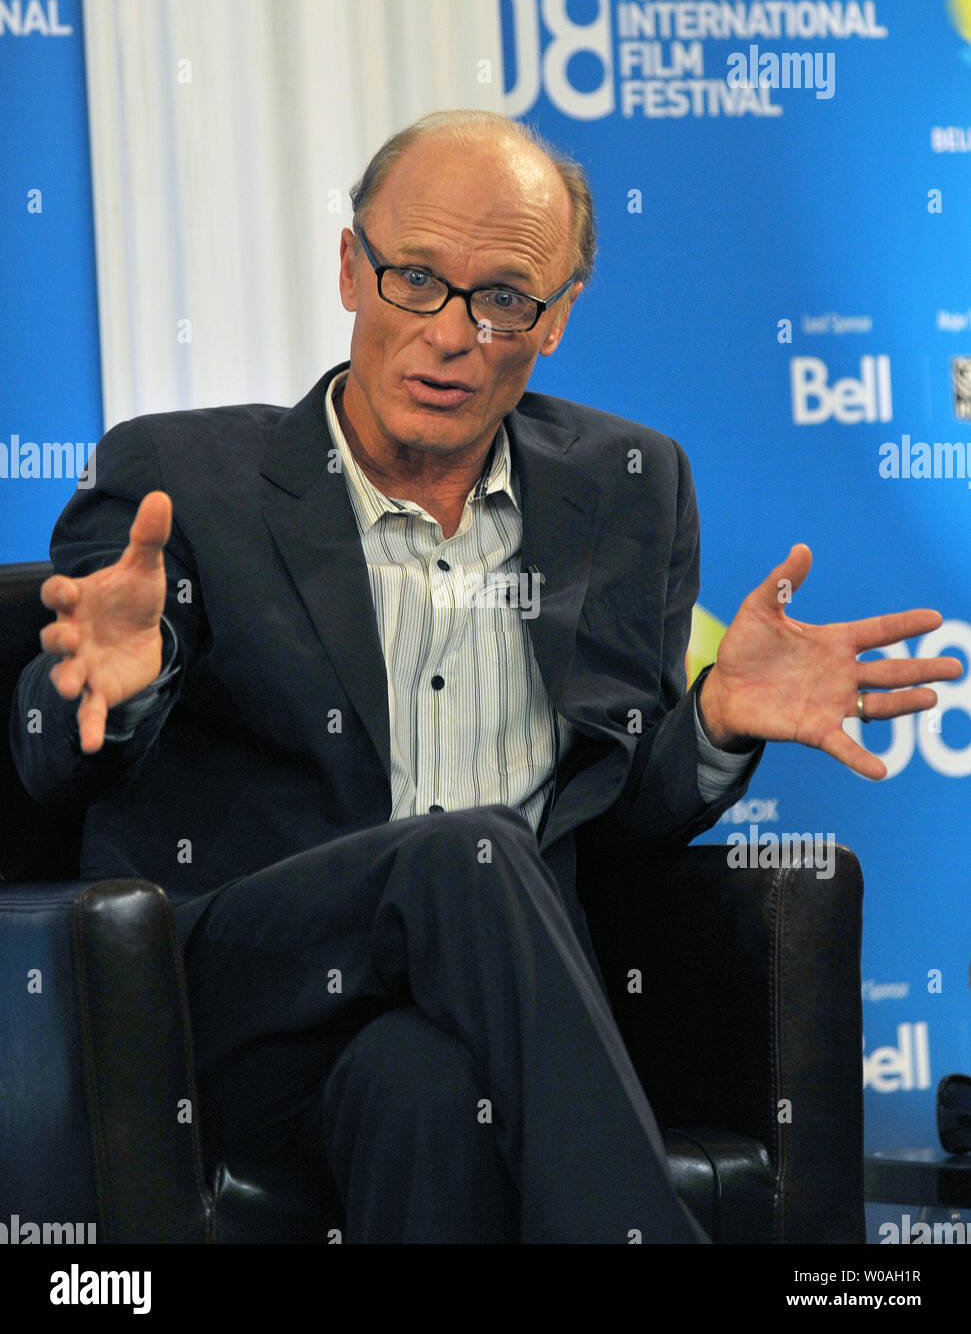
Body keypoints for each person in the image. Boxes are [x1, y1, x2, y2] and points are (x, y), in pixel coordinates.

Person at [11, 110, 961, 1244]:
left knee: (425, 1093)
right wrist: (113, 688)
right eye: (415, 277)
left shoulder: (626, 488)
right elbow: (39, 765)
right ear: (351, 270)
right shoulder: (180, 476)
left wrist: (705, 723)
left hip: (478, 1013)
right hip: (234, 1000)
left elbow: (610, 835)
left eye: (503, 297)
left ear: (555, 320)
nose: (451, 334)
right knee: (467, 848)